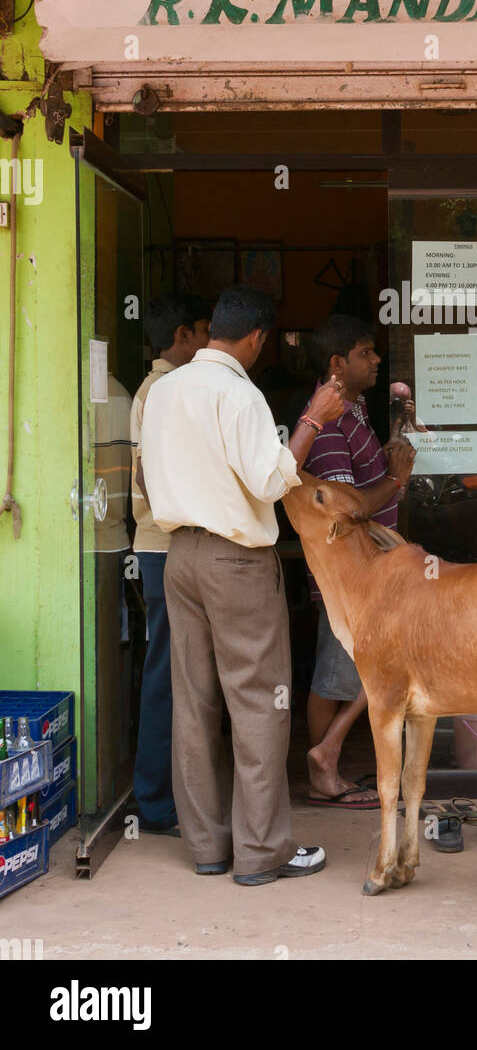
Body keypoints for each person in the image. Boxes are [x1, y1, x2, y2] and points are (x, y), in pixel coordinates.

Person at [139, 286, 344, 885]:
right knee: (260, 704)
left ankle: (207, 847)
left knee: (195, 704)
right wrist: (311, 420)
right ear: (256, 338)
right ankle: (260, 853)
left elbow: (150, 482)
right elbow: (269, 482)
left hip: (179, 558)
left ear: (212, 331)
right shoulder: (240, 392)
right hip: (235, 561)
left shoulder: (163, 391)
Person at [299, 315, 416, 808]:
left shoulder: (355, 410)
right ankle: (323, 766)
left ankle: (330, 758)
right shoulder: (325, 428)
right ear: (336, 364)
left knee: (378, 664)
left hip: (374, 568)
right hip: (346, 576)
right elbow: (350, 510)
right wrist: (399, 477)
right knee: (336, 673)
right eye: (366, 352)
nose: (375, 360)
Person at [129, 292, 211, 836]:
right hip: (163, 548)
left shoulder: (159, 387)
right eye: (203, 331)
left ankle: (170, 795)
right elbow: (144, 478)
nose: (208, 342)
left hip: (164, 549)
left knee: (178, 675)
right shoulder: (163, 390)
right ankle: (155, 803)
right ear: (182, 336)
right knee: (167, 678)